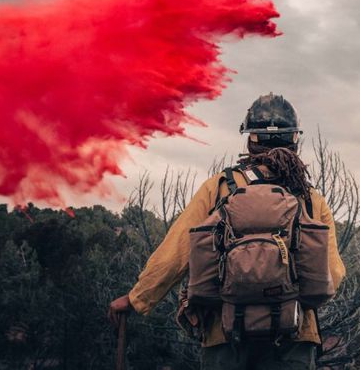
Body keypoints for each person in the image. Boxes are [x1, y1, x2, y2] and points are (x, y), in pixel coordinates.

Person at [108, 93, 345, 369]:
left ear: (249, 140)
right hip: (293, 336)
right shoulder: (309, 197)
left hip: (224, 334)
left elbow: (176, 251)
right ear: (295, 139)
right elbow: (333, 273)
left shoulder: (219, 187)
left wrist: (137, 299)